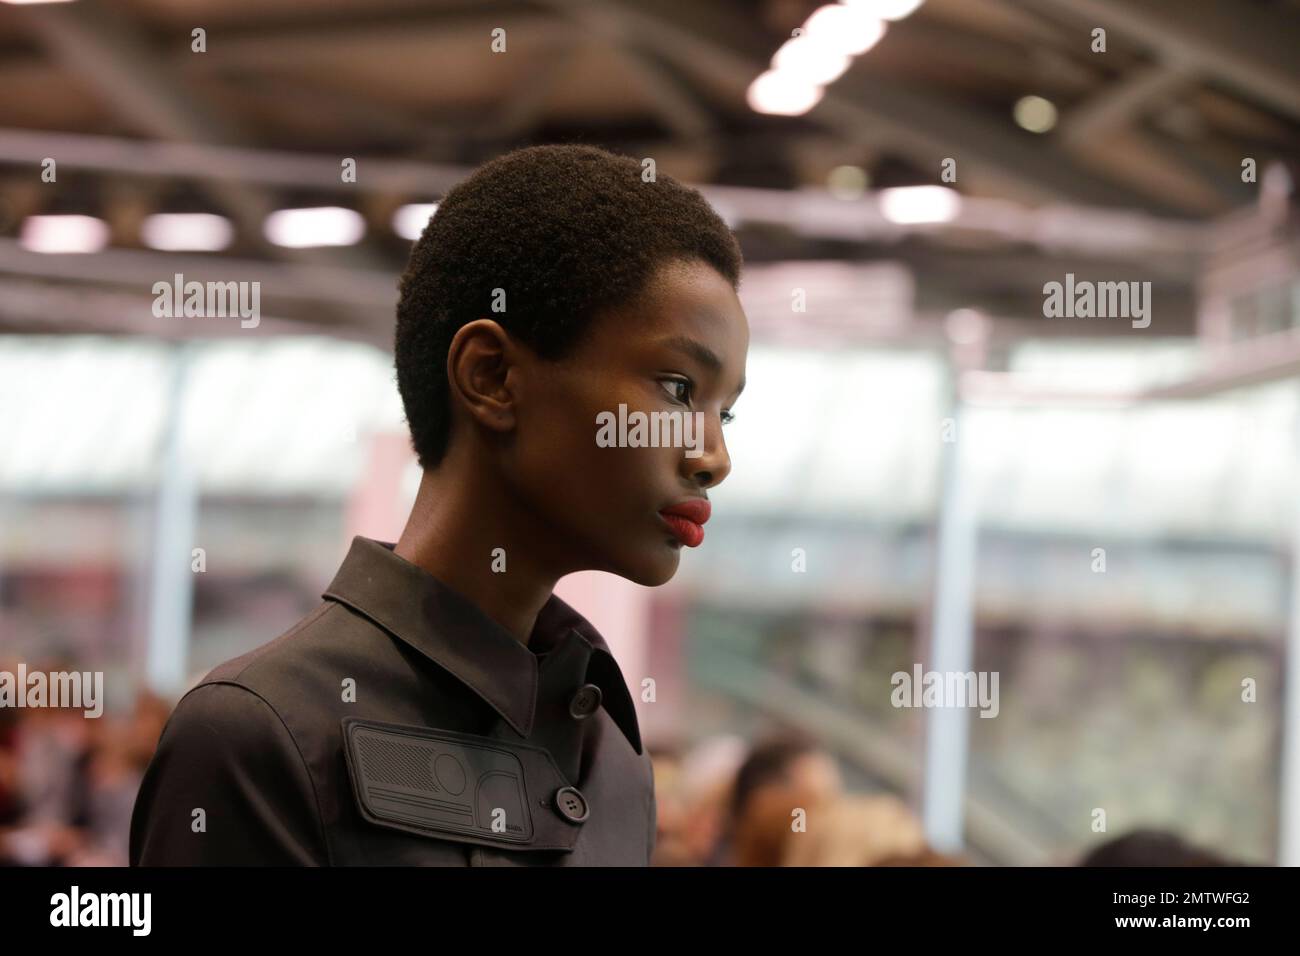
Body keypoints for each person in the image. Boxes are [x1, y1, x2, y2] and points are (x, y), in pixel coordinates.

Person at [129, 143, 749, 866]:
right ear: (491, 376)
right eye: (678, 389)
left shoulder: (612, 761)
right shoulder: (260, 735)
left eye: (724, 413)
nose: (714, 458)